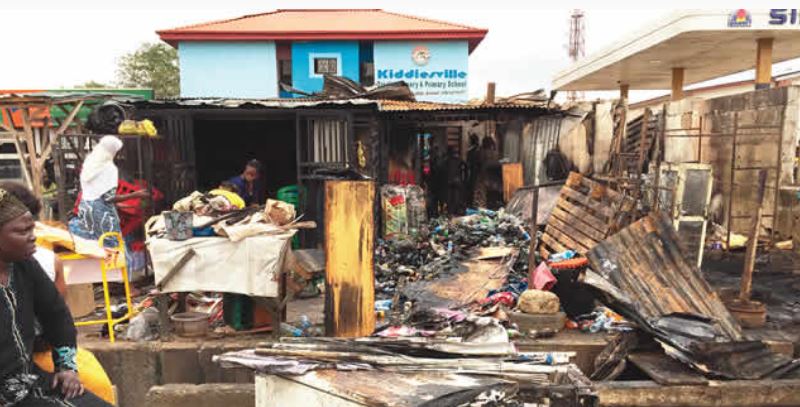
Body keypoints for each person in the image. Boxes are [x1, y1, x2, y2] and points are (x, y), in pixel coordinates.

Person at [0, 181, 115, 405]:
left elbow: (56, 314)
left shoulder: (25, 266)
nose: (33, 237)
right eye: (22, 231)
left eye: (32, 229)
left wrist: (67, 367)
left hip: (28, 381)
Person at [68, 136, 148, 250]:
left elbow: (101, 198)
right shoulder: (108, 169)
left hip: (82, 217)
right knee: (115, 249)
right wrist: (135, 195)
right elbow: (108, 198)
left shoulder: (91, 165)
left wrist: (120, 205)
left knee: (96, 250)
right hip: (97, 220)